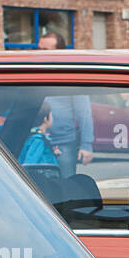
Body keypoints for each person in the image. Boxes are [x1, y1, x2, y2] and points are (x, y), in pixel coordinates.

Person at [38, 31, 94, 178]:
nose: (40, 53)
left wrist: (86, 145)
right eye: (39, 49)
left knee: (65, 187)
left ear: (59, 51)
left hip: (63, 144)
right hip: (37, 140)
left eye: (45, 50)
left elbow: (84, 113)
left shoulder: (71, 76)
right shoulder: (34, 74)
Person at [18, 102, 60, 167]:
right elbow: (30, 164)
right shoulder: (38, 140)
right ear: (45, 119)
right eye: (52, 115)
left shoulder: (32, 135)